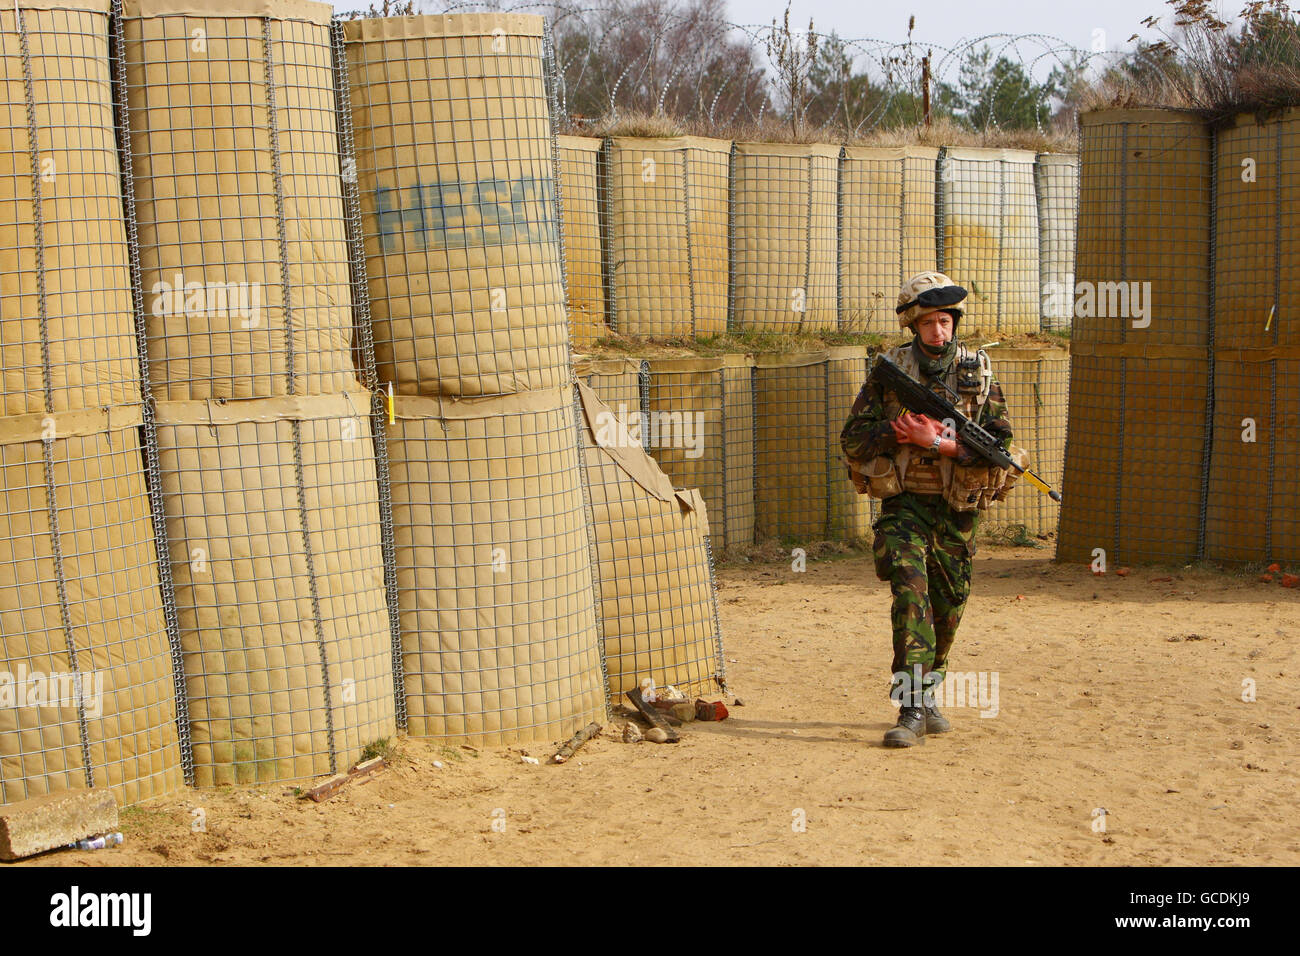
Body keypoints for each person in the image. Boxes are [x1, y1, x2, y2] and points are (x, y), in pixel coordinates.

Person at [841, 272, 1023, 748]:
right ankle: (911, 707)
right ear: (912, 325)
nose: (938, 333)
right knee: (909, 594)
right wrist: (895, 432)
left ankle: (930, 692)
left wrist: (941, 443)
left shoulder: (977, 372)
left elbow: (1000, 446)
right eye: (928, 324)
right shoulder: (890, 373)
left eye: (945, 322)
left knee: (948, 609)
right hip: (905, 507)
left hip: (958, 510)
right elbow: (852, 438)